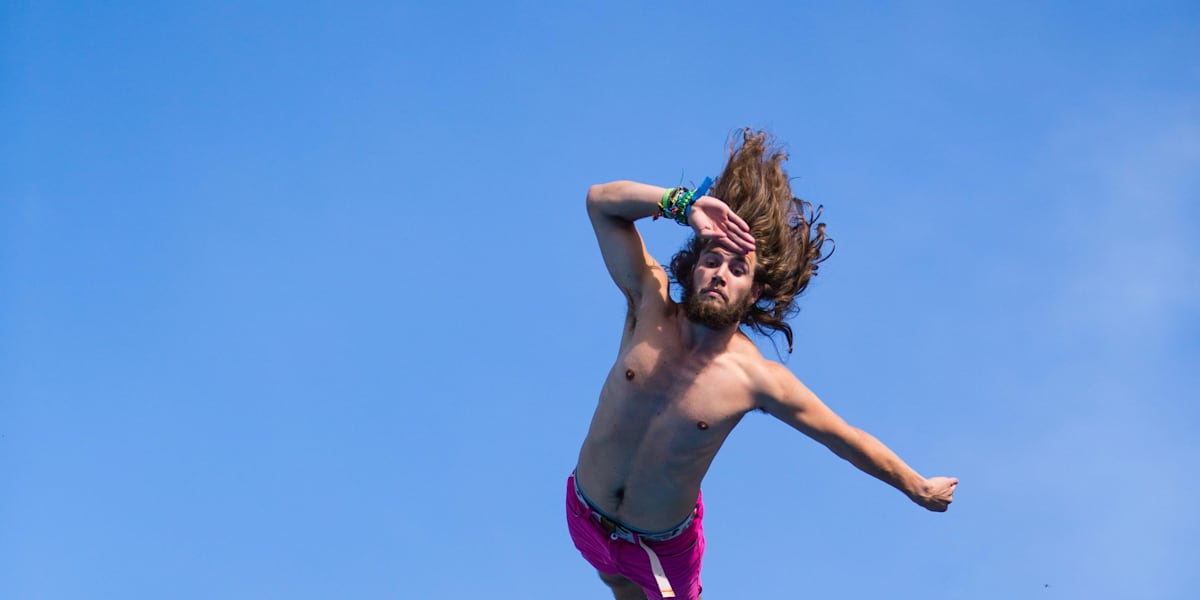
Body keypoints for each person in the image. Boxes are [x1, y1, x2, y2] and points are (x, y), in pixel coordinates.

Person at [566, 129, 958, 600]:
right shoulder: (649, 304)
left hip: (661, 550)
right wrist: (683, 205)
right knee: (614, 581)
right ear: (693, 268)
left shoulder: (756, 379)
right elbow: (600, 202)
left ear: (752, 294)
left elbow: (845, 439)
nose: (720, 275)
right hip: (584, 516)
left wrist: (918, 486)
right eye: (713, 260)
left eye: (737, 270)